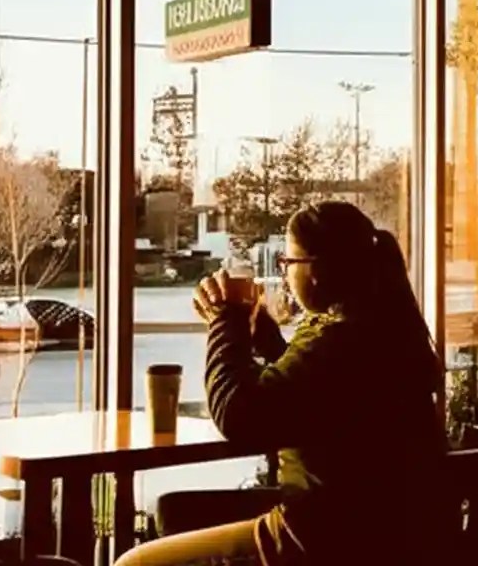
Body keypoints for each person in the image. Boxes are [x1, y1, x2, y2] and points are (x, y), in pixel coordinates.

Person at [117, 201, 450, 566]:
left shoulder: (337, 339)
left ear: (318, 271)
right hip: (388, 532)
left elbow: (239, 416)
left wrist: (223, 320)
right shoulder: (382, 329)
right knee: (174, 510)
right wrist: (265, 338)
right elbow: (313, 397)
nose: (284, 273)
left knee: (134, 563)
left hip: (325, 540)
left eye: (287, 264)